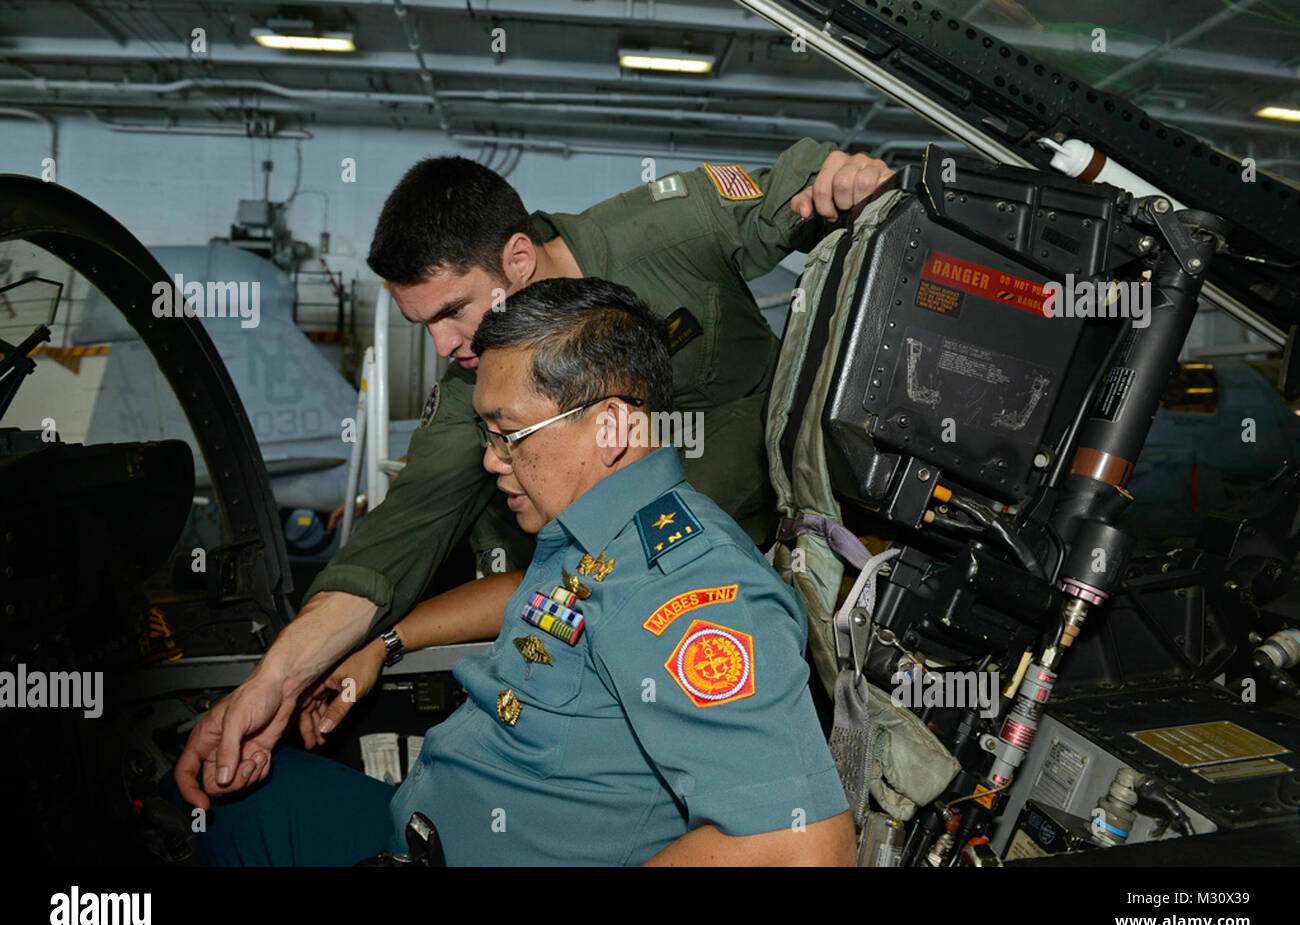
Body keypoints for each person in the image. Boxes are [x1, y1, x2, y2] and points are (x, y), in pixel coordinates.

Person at [175, 140, 892, 802]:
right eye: (423, 323)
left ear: (519, 258)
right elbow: (400, 535)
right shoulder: (480, 382)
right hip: (642, 597)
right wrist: (272, 682)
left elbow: (789, 196)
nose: (445, 346)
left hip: (793, 544)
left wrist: (847, 181)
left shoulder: (664, 233)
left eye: (452, 310)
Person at [176, 278, 853, 865]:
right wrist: (385, 643)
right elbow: (540, 599)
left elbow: (801, 847)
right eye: (486, 434)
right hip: (413, 826)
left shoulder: (695, 593)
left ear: (611, 427)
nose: (493, 461)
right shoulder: (595, 525)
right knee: (246, 800)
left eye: (510, 435)